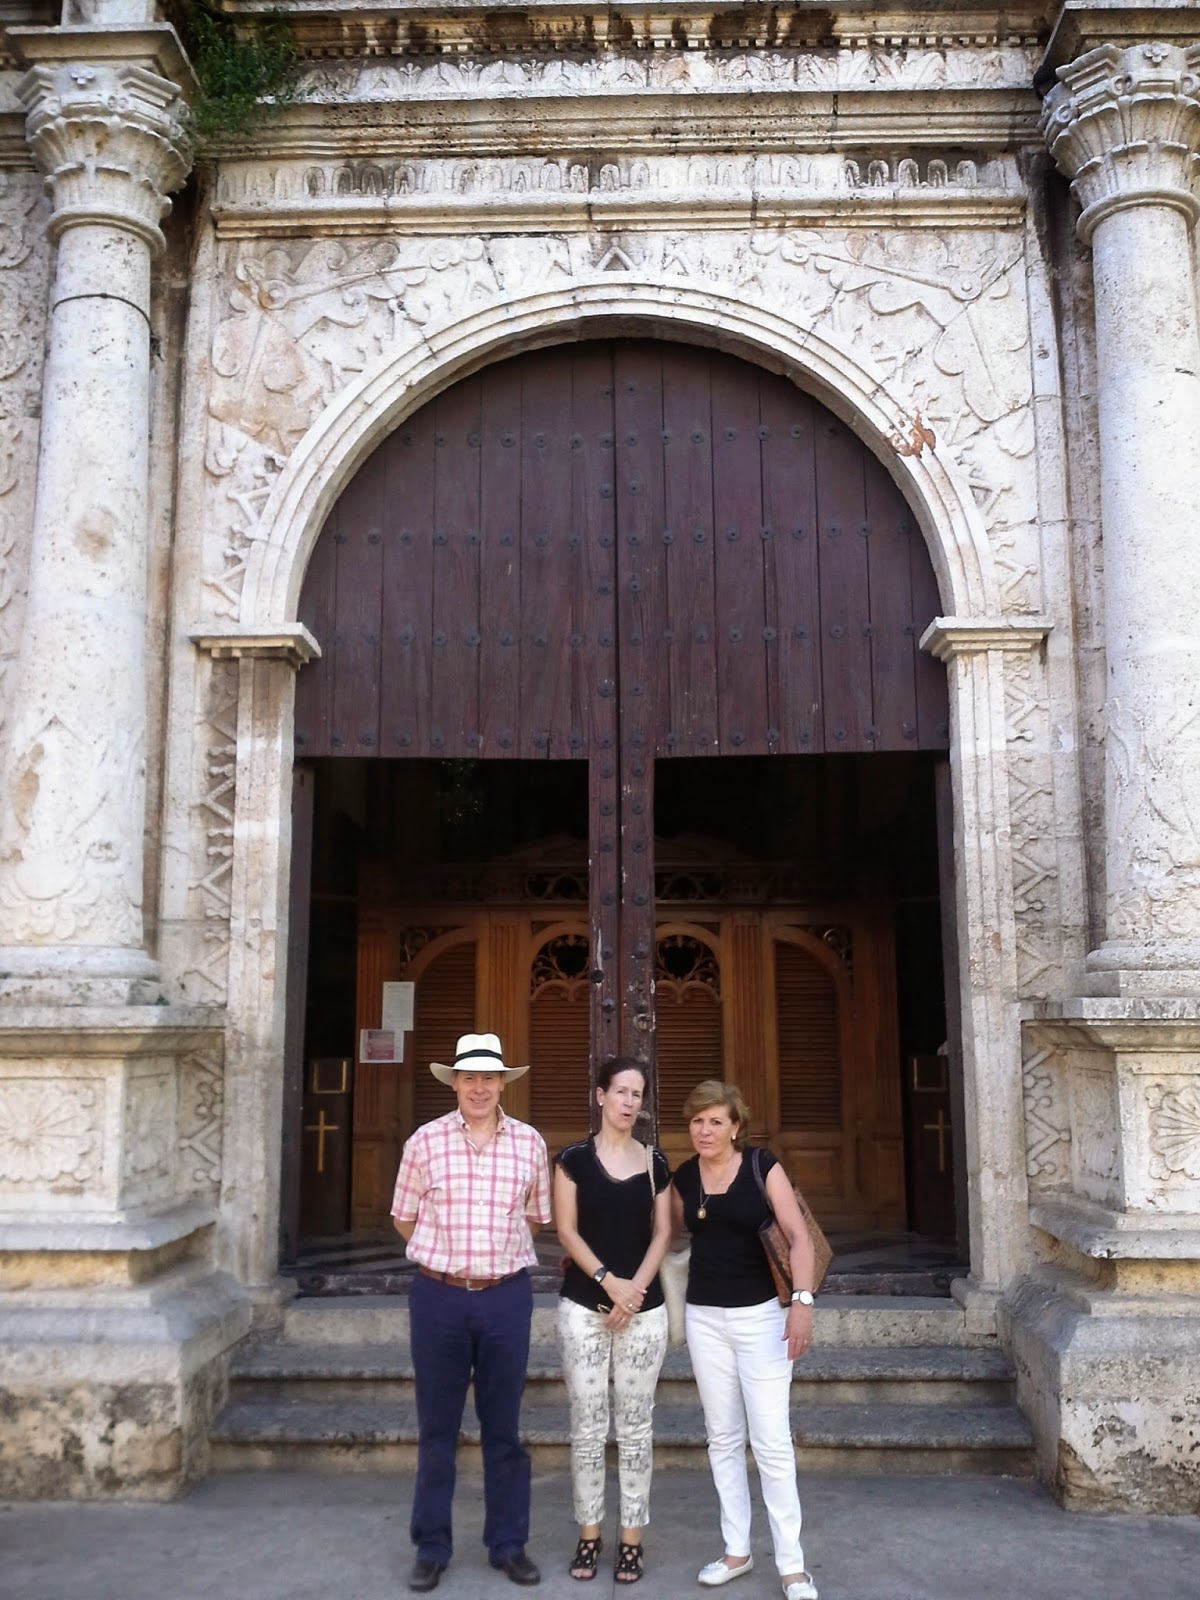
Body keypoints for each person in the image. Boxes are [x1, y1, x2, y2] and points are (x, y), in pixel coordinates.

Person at [391, 1031, 552, 1593]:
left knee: (503, 1429)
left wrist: (490, 1263)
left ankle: (508, 1545)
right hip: (438, 1298)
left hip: (506, 1296)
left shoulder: (530, 1143)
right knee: (438, 1429)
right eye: (470, 1077)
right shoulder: (424, 1142)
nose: (480, 1087)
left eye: (490, 1077)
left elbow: (535, 1216)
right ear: (454, 1083)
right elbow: (404, 1217)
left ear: (503, 1082)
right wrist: (449, 1262)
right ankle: (431, 1547)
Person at [670, 1080, 819, 1600]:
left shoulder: (761, 1166)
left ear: (735, 1125)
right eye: (696, 1121)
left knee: (772, 1443)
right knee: (723, 1439)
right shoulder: (683, 1177)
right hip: (704, 1319)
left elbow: (797, 1236)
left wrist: (801, 1303)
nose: (704, 1130)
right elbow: (658, 1235)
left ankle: (793, 1566)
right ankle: (736, 1550)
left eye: (715, 1121)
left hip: (761, 1319)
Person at [554, 1057, 672, 1585]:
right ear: (600, 1096)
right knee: (586, 1427)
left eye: (637, 1094)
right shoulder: (573, 1160)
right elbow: (566, 1232)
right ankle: (588, 1533)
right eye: (620, 1091)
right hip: (583, 1307)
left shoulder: (655, 1163)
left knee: (636, 1428)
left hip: (644, 1314)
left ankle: (631, 1540)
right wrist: (609, 1283)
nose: (629, 1102)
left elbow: (663, 1233)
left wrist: (634, 1294)